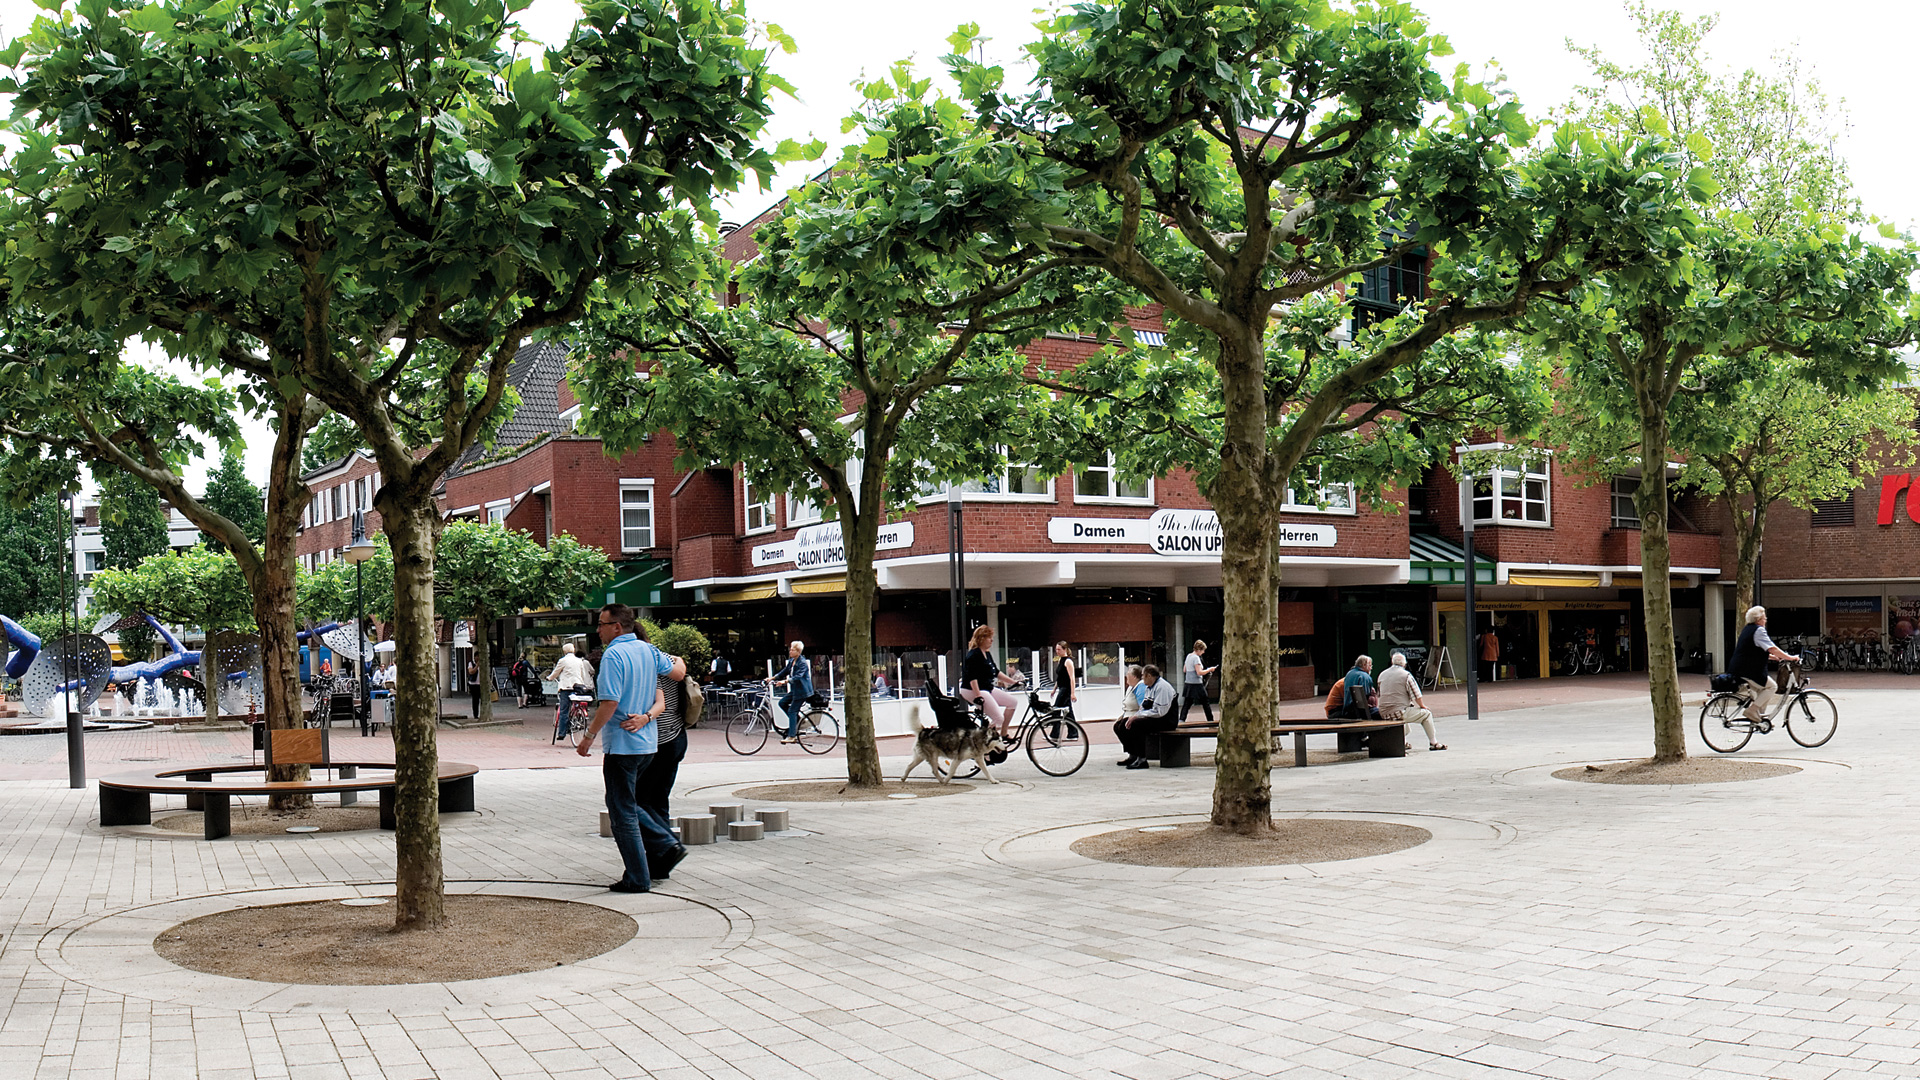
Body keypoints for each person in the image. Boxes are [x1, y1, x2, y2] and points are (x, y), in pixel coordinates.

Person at [575, 603, 686, 893]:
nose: (598, 630)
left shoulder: (614, 655)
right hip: (648, 744)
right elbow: (677, 671)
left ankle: (641, 874)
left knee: (622, 811)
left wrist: (589, 735)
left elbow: (609, 702)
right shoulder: (648, 650)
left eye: (602, 624)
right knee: (627, 803)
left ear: (617, 627)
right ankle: (661, 848)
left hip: (623, 745)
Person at [635, 665, 689, 831]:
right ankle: (664, 839)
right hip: (677, 734)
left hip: (661, 740)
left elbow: (660, 705)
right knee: (660, 797)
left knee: (642, 798)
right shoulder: (672, 662)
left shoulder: (650, 667)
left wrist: (644, 718)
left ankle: (665, 841)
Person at [1731, 605, 1800, 722]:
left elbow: (1753, 651)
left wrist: (1773, 657)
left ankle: (1760, 720)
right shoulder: (1759, 630)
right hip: (1749, 670)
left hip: (1739, 668)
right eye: (1764, 618)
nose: (1766, 620)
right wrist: (1790, 657)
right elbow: (1772, 648)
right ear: (1758, 620)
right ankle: (1752, 711)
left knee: (1761, 691)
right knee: (1772, 687)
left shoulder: (1747, 629)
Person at [958, 625, 1019, 736]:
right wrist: (978, 696)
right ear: (981, 639)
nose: (992, 640)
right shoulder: (973, 655)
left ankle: (1004, 733)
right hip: (972, 689)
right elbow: (972, 678)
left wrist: (1014, 682)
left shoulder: (987, 653)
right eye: (989, 637)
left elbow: (996, 672)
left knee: (1012, 702)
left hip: (986, 688)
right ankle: (983, 739)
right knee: (998, 718)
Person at [1378, 651, 1445, 751]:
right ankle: (1433, 743)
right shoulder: (1406, 675)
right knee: (1426, 714)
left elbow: (1379, 694)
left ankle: (1404, 742)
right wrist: (1422, 706)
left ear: (1392, 662)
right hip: (1399, 711)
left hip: (1384, 712)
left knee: (1405, 713)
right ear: (1404, 664)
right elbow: (1417, 695)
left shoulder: (1382, 675)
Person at [1114, 664, 1176, 769]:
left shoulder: (1162, 687)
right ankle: (1133, 754)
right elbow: (1144, 706)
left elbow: (1160, 712)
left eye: (1143, 675)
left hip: (1166, 720)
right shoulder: (1149, 687)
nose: (1142, 678)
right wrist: (1135, 716)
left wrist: (1138, 716)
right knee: (1120, 725)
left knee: (1136, 725)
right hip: (1154, 717)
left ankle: (1142, 759)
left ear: (1149, 676)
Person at [547, 642, 593, 739]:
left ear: (564, 651)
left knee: (564, 710)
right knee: (576, 704)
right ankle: (577, 716)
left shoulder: (563, 661)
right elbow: (582, 675)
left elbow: (555, 672)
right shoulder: (579, 661)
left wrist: (549, 678)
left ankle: (562, 733)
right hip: (578, 686)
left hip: (566, 687)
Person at [771, 641, 813, 743]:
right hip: (795, 690)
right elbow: (785, 671)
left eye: (792, 650)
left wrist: (785, 681)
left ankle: (792, 736)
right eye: (790, 649)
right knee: (782, 703)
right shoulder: (791, 661)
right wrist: (772, 678)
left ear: (798, 652)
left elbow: (798, 677)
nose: (790, 651)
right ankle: (798, 721)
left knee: (792, 711)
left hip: (802, 691)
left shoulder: (802, 663)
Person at [1181, 639, 1217, 724]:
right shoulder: (1196, 658)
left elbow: (1184, 670)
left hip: (1188, 683)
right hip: (1197, 684)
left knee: (1187, 703)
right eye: (1203, 650)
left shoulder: (1188, 656)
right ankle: (1210, 720)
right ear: (1199, 649)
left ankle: (1181, 719)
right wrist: (1209, 670)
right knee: (1205, 702)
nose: (1203, 652)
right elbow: (1199, 672)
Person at [1338, 654, 1379, 720]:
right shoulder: (1364, 676)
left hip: (1348, 711)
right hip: (1361, 712)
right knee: (1383, 712)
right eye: (1370, 665)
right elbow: (1365, 697)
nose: (1371, 668)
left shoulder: (1349, 673)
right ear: (1364, 665)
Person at [1051, 642, 1078, 718]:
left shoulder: (1068, 661)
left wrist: (1072, 693)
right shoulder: (1060, 660)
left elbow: (1072, 678)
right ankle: (1072, 725)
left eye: (1059, 649)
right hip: (1061, 688)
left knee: (1057, 708)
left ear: (1065, 649)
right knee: (1068, 710)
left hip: (1066, 689)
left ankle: (1055, 725)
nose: (1057, 651)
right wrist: (1054, 689)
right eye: (1056, 649)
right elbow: (1060, 677)